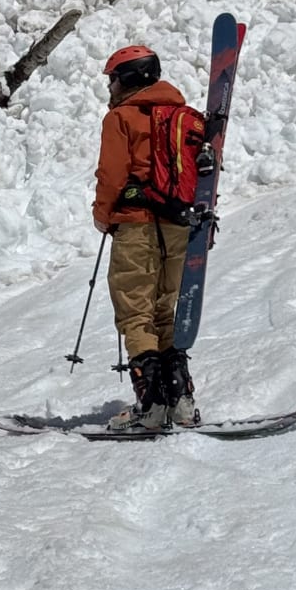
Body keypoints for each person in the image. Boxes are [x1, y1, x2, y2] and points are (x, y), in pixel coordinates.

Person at [92, 44, 201, 431]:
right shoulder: (183, 116)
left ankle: (152, 408)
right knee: (164, 310)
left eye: (113, 78)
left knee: (136, 313)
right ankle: (182, 402)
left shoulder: (121, 118)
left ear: (131, 77)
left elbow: (112, 175)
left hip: (135, 225)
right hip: (178, 226)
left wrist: (102, 216)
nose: (110, 86)